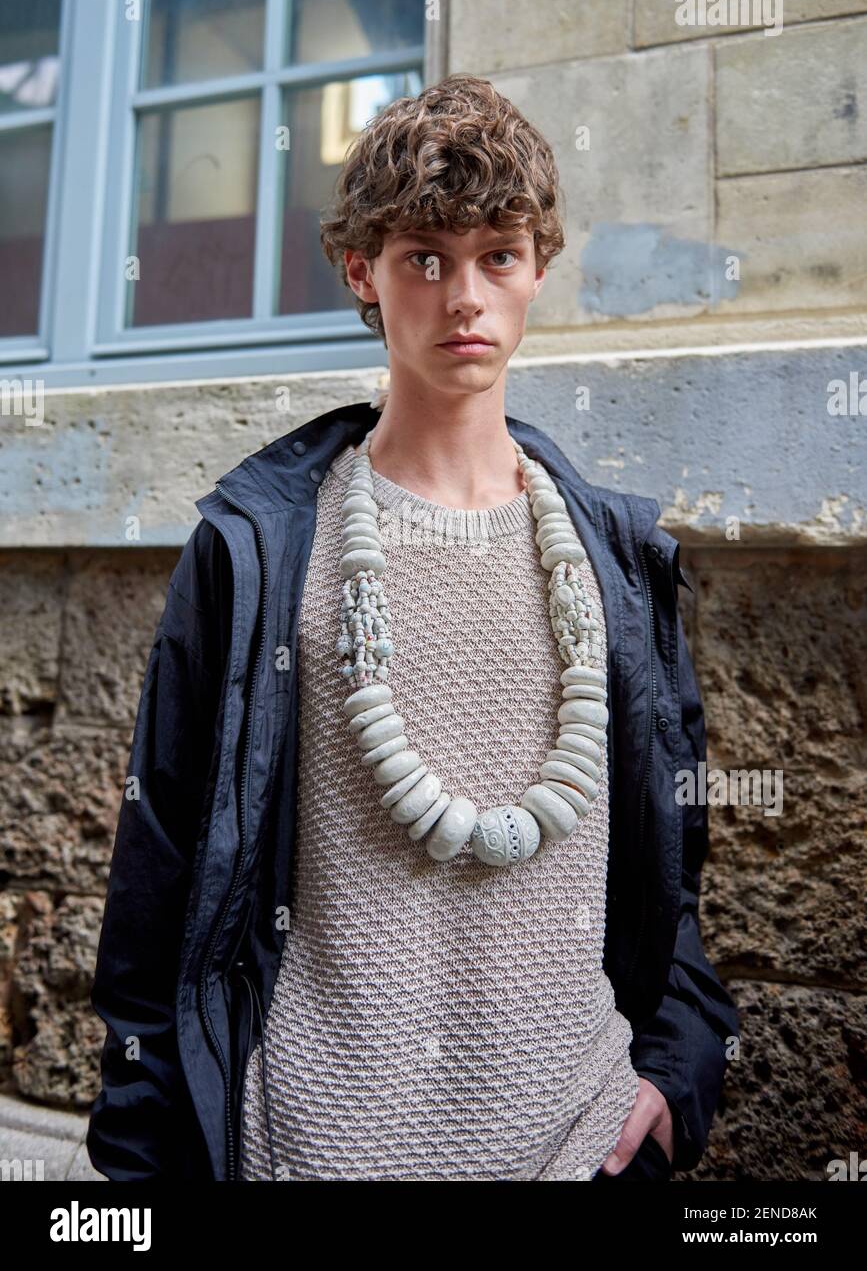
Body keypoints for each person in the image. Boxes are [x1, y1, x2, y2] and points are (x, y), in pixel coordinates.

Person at [86, 74, 739, 1182]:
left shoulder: (617, 561)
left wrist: (672, 1082)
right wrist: (145, 1172)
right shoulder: (256, 549)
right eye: (425, 258)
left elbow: (671, 868)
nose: (465, 297)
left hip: (575, 1143)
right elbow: (159, 879)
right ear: (364, 272)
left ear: (538, 268)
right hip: (312, 1146)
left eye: (499, 254)